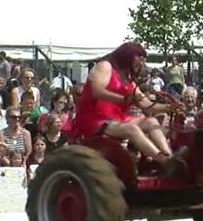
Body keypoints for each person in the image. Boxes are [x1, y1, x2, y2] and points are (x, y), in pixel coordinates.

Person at [72, 42, 182, 172]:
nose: (141, 63)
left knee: (151, 121)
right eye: (139, 58)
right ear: (127, 56)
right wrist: (126, 99)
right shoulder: (105, 66)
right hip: (93, 120)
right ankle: (163, 161)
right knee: (132, 129)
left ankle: (170, 157)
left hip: (117, 119)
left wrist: (169, 107)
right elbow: (98, 91)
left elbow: (145, 104)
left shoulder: (128, 79)